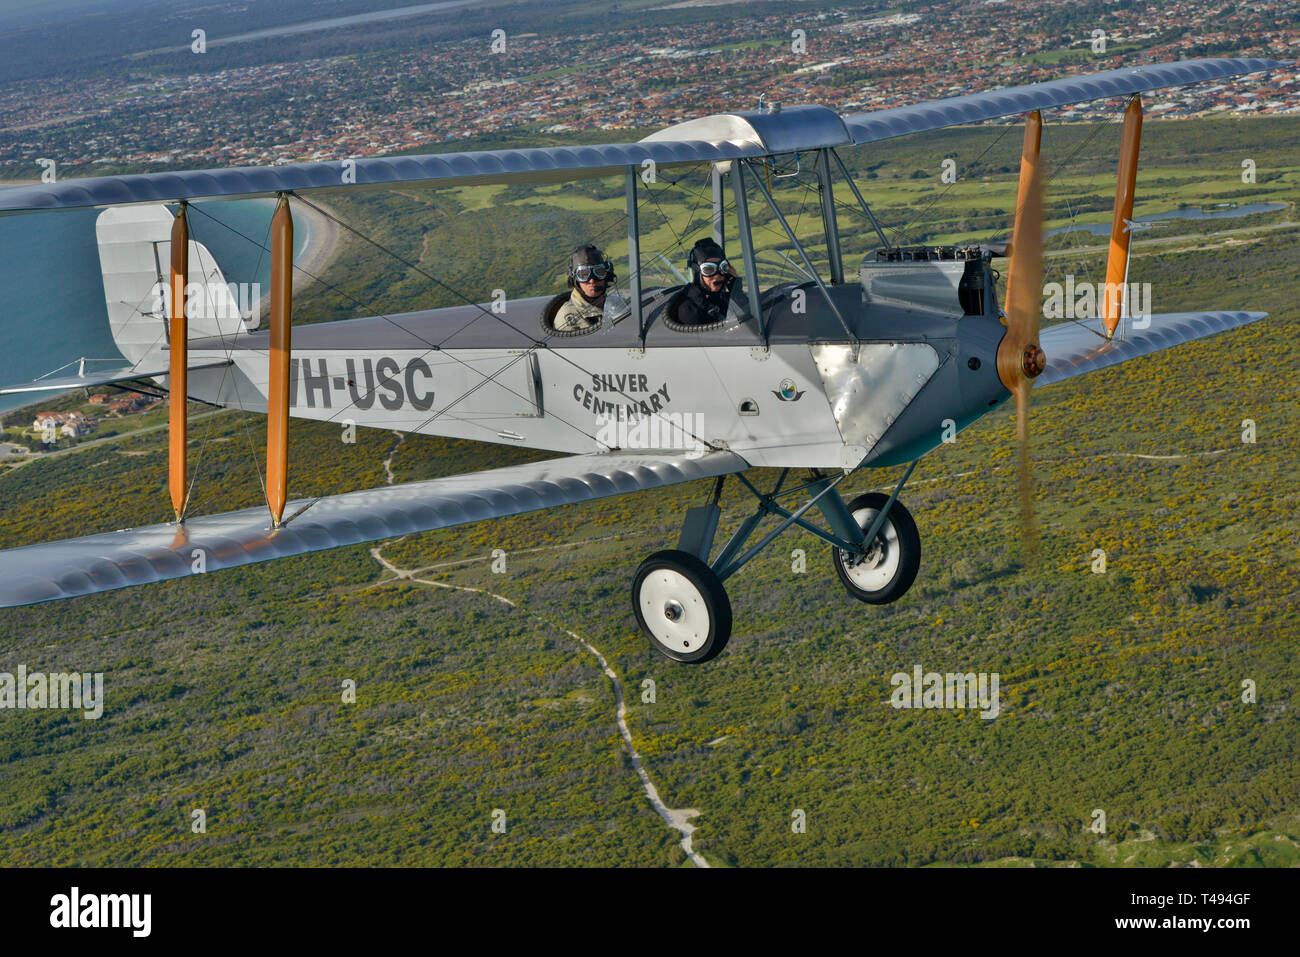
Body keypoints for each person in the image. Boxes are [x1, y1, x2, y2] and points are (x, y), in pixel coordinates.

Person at [673, 238, 742, 327]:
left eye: (723, 268)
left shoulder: (722, 299)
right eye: (709, 269)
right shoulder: (689, 310)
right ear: (697, 274)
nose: (718, 276)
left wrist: (736, 290)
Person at [553, 245, 615, 331]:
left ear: (607, 275)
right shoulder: (568, 319)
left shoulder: (616, 303)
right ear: (575, 279)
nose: (592, 280)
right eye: (584, 275)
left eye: (599, 272)